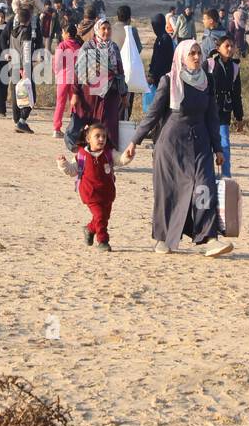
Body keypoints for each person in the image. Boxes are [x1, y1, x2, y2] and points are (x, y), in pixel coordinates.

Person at [125, 39, 232, 257]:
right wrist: (134, 141)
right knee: (168, 192)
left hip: (201, 143)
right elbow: (153, 114)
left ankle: (209, 238)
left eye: (198, 53)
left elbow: (212, 117)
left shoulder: (207, 81)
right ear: (182, 56)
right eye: (192, 53)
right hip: (171, 145)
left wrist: (218, 148)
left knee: (204, 187)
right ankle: (162, 238)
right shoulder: (169, 80)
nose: (196, 57)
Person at [57, 121, 133, 251]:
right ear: (88, 139)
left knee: (103, 217)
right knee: (99, 216)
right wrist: (62, 164)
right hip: (90, 193)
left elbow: (121, 159)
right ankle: (103, 241)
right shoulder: (81, 156)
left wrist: (127, 155)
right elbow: (71, 171)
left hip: (107, 192)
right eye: (97, 136)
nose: (101, 139)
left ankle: (90, 229)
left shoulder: (109, 153)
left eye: (103, 136)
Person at [74, 17, 124, 147]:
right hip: (92, 93)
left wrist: (124, 94)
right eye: (103, 28)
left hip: (111, 93)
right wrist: (75, 93)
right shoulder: (89, 46)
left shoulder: (114, 47)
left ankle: (108, 157)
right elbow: (78, 69)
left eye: (109, 28)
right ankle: (87, 156)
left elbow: (120, 70)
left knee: (110, 125)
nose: (106, 31)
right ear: (97, 30)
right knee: (91, 125)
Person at [207, 36, 243, 178]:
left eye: (232, 46)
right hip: (208, 111)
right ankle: (208, 176)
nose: (230, 49)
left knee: (225, 144)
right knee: (208, 146)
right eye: (226, 46)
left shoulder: (234, 67)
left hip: (224, 111)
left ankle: (226, 176)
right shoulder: (209, 65)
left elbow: (236, 94)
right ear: (218, 48)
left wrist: (239, 117)